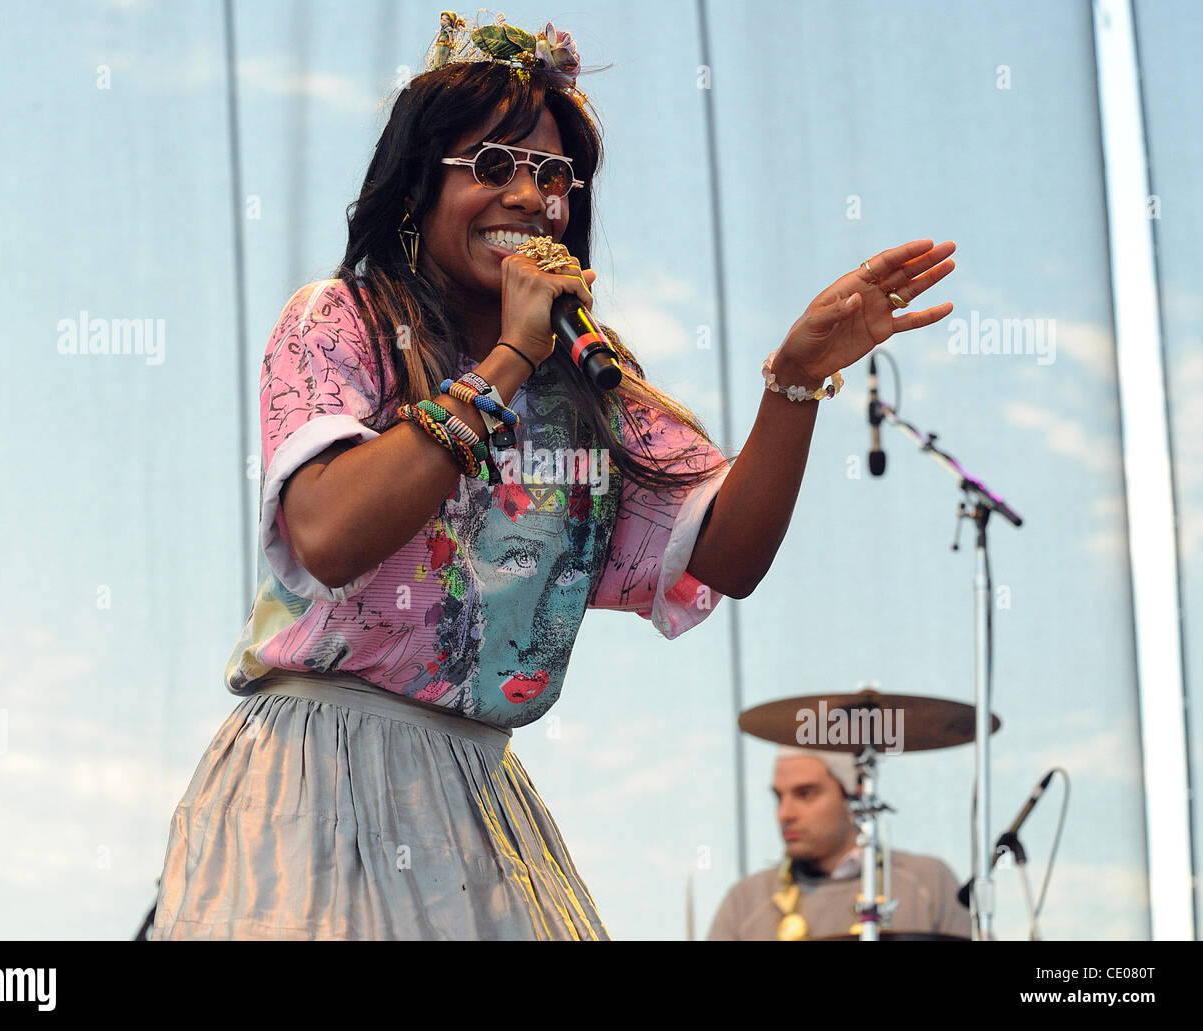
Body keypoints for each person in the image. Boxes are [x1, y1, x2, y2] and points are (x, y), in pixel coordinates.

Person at [149, 11, 957, 940]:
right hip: (315, 777)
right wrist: (504, 364)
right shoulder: (343, 321)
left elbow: (728, 553)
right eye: (493, 166)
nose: (531, 198)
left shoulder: (583, 381)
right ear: (417, 186)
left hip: (476, 792)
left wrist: (796, 381)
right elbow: (328, 533)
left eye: (554, 176)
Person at [707, 747, 972, 940]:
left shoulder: (928, 882)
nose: (785, 813)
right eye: (779, 797)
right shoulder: (744, 901)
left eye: (805, 794)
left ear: (855, 794)